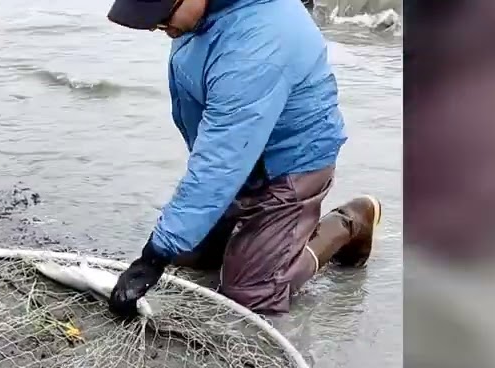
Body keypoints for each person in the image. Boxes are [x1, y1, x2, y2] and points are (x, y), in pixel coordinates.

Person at [105, 0, 382, 316]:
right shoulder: (207, 13)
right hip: (243, 159)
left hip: (288, 166)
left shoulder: (257, 45)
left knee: (250, 297)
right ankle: (251, 232)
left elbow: (220, 159)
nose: (163, 29)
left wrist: (154, 256)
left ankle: (350, 221)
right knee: (191, 258)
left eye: (163, 18)